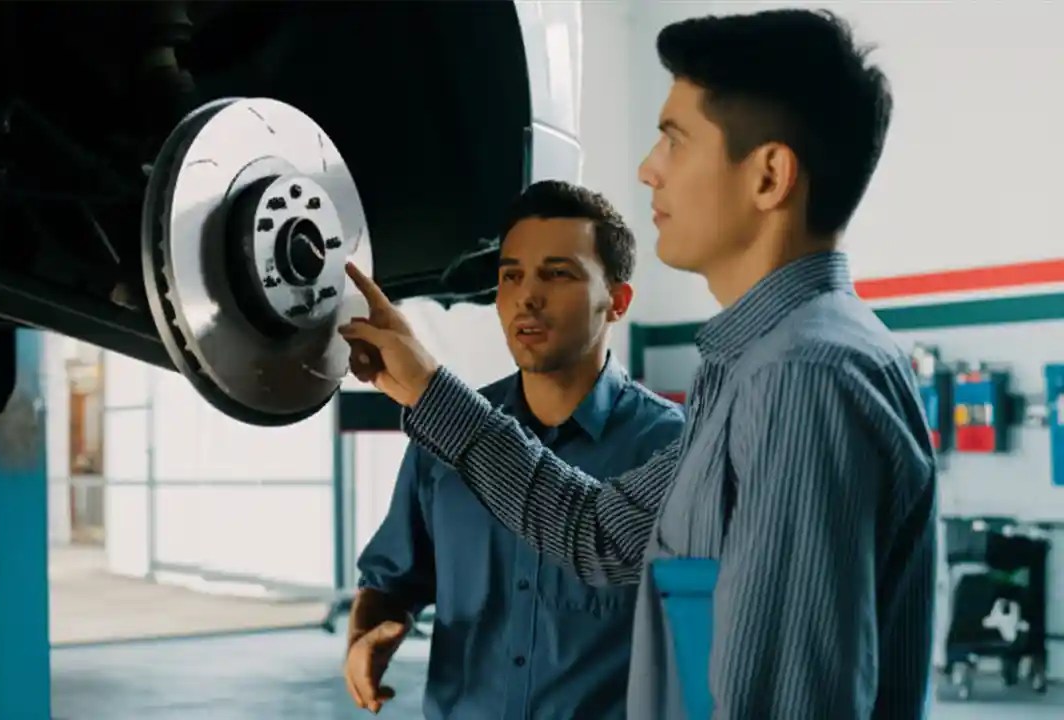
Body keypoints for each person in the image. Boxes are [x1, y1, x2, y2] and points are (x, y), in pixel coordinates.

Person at [338, 8, 938, 720]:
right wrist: (431, 390)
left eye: (674, 141)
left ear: (770, 175)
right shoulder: (748, 371)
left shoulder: (802, 378)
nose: (648, 169)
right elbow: (596, 533)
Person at [342, 181, 685, 718]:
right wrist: (367, 636)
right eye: (511, 275)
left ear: (616, 302)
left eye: (557, 273)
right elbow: (392, 579)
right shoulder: (441, 438)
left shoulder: (668, 450)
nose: (527, 295)